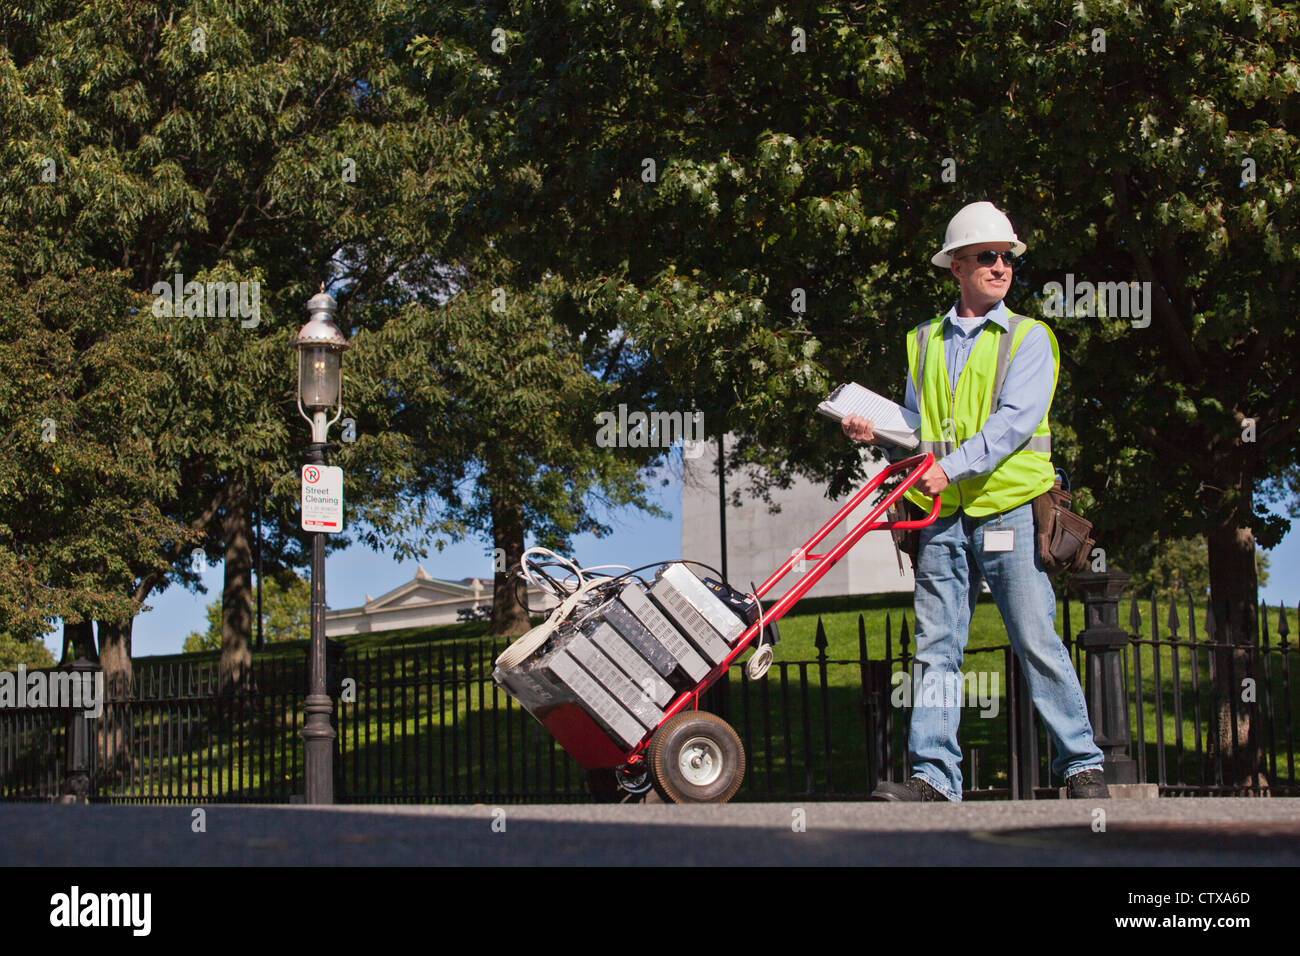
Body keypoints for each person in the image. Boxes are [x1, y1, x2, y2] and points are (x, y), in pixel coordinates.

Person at [842, 201, 1109, 802]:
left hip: (1010, 509)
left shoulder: (1030, 338)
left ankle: (1082, 766)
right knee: (936, 646)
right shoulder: (923, 341)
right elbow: (920, 430)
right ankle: (934, 779)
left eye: (1006, 256)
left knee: (1034, 635)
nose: (1000, 266)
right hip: (942, 516)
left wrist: (948, 467)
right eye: (986, 256)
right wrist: (877, 435)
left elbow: (1014, 424)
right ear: (956, 267)